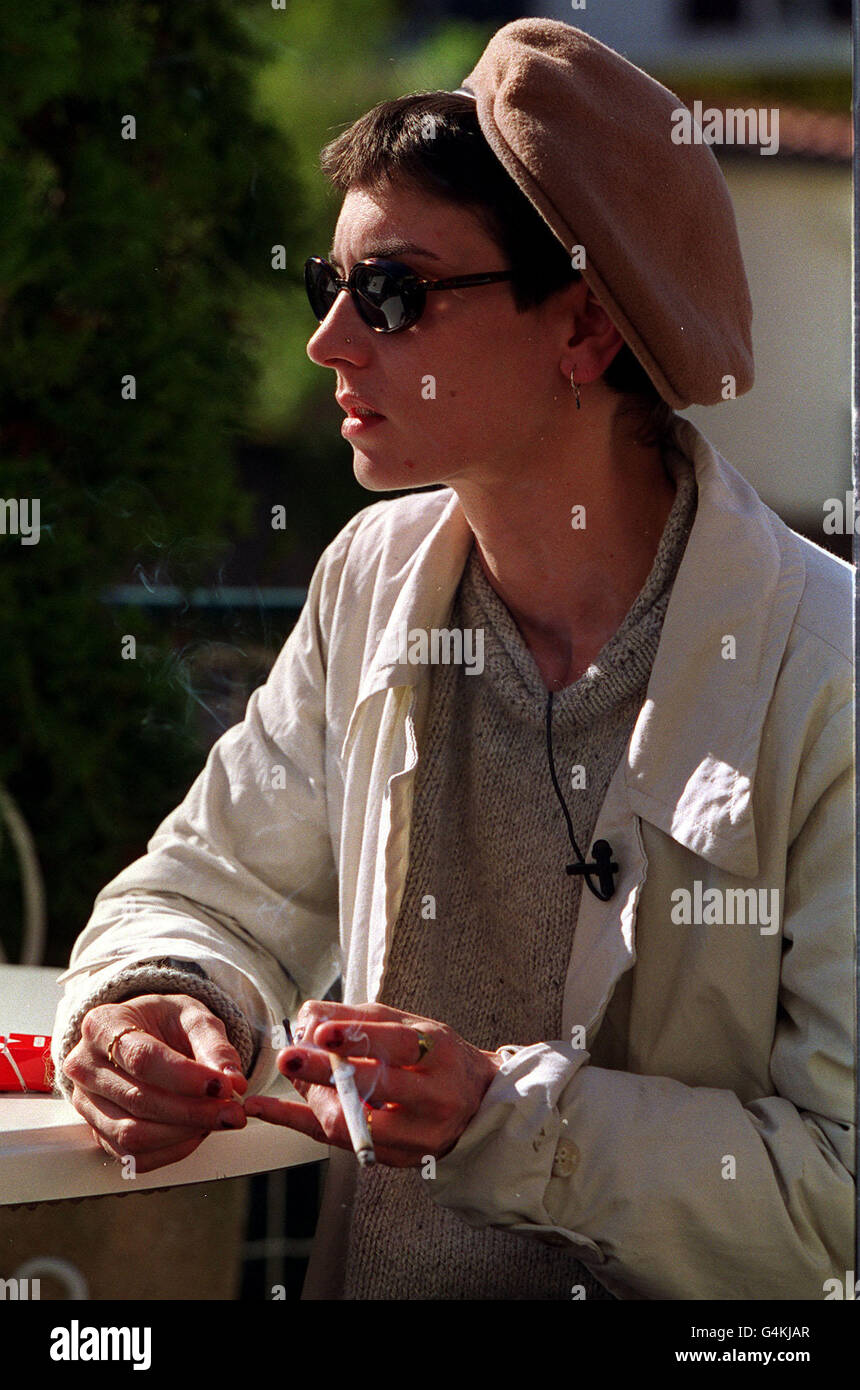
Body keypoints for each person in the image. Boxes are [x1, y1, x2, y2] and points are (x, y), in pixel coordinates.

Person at [52, 19, 854, 1300]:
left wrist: (505, 1120)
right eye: (331, 283)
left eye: (393, 292)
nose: (327, 341)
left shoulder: (826, 673)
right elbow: (203, 892)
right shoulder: (372, 579)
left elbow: (838, 1204)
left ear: (583, 328)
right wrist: (152, 1005)